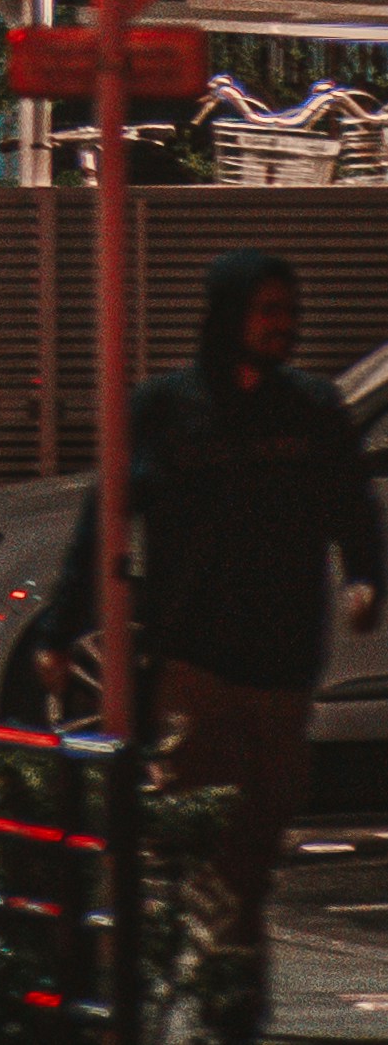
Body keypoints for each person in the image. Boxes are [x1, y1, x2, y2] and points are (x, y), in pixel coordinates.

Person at [130, 235, 385, 1005]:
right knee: (209, 823)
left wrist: (365, 576)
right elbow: (112, 511)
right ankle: (228, 978)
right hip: (193, 656)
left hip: (282, 659)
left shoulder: (311, 411)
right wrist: (60, 625)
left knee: (261, 825)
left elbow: (350, 505)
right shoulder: (171, 410)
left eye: (288, 310)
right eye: (267, 310)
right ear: (228, 314)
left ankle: (223, 960)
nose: (283, 324)